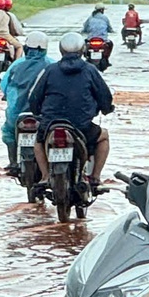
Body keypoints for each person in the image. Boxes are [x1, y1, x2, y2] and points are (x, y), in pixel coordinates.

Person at [27, 32, 115, 190]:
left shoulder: (50, 70)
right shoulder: (90, 70)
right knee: (104, 137)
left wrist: (37, 112)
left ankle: (45, 176)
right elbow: (104, 95)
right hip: (82, 127)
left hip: (50, 126)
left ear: (61, 50)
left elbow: (34, 97)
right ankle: (95, 177)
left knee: (38, 142)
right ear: (82, 50)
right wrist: (107, 109)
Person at [0, 31, 53, 176]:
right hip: (42, 114)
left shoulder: (17, 65)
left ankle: (12, 162)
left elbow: (4, 85)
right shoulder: (51, 65)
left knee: (8, 132)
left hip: (16, 115)